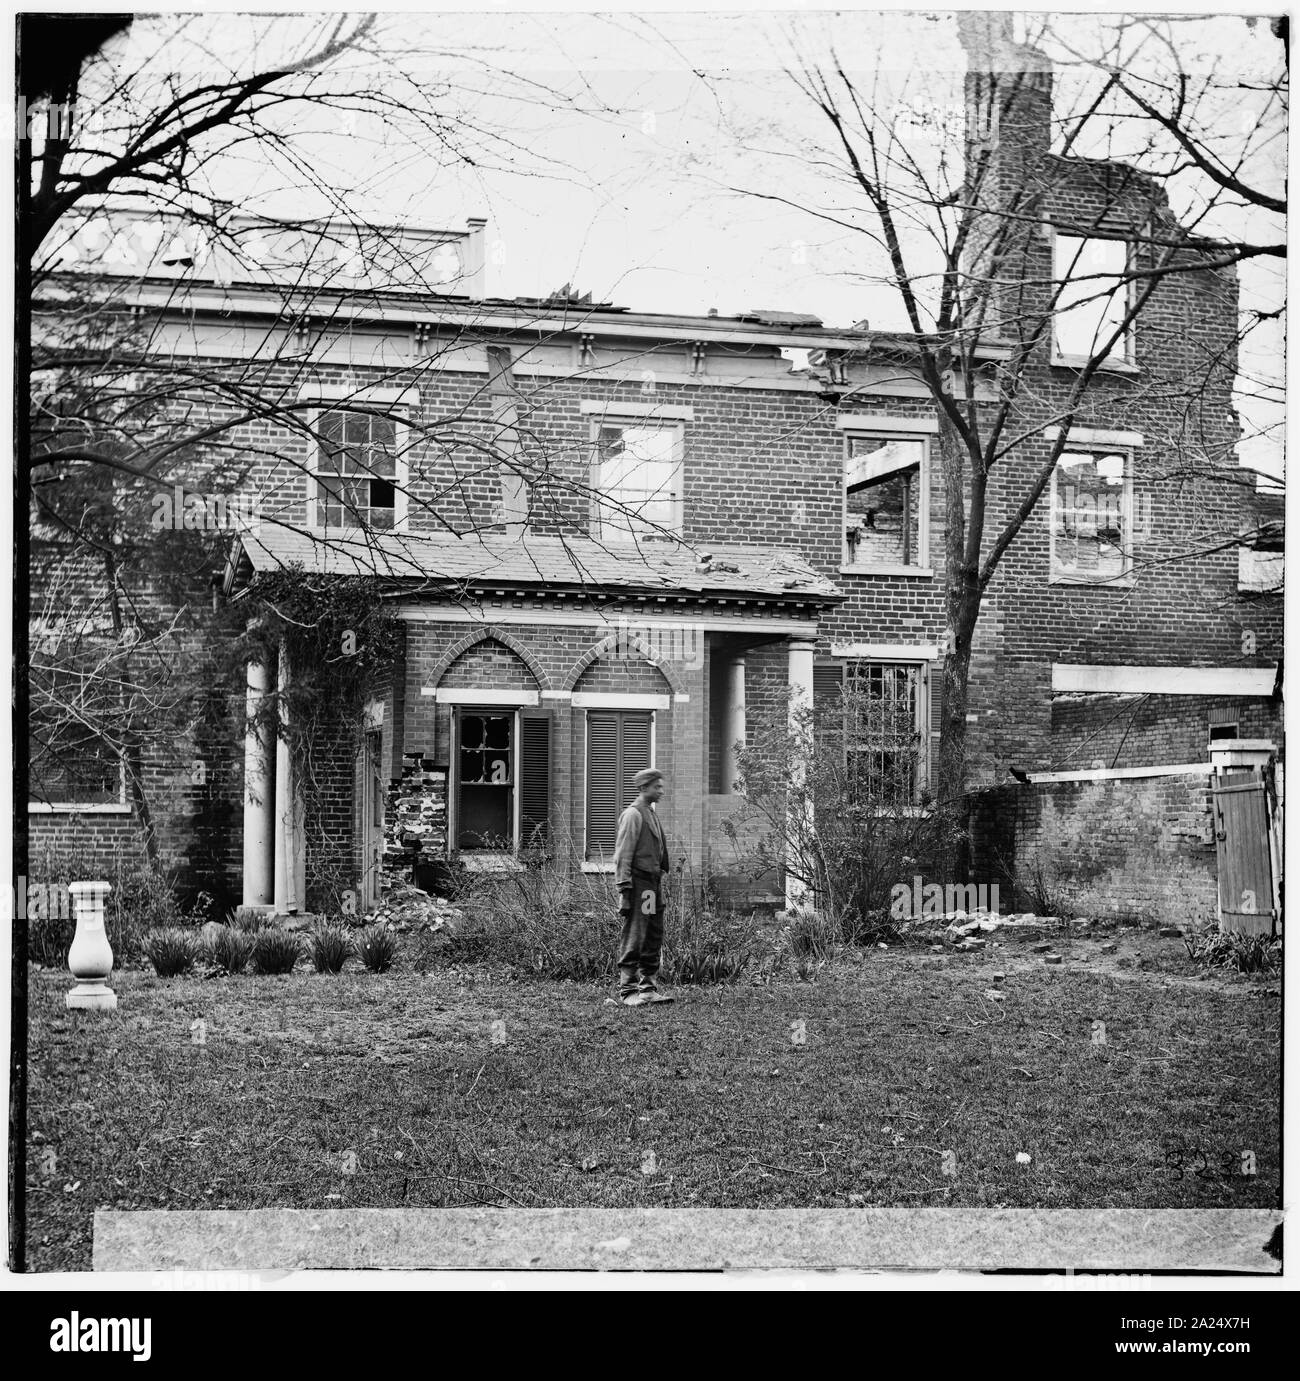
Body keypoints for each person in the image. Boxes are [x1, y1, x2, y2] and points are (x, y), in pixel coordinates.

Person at [613, 767, 674, 1006]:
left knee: (651, 933)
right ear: (643, 788)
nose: (661, 790)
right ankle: (627, 991)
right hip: (638, 886)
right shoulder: (633, 815)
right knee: (636, 934)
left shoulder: (650, 813)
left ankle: (647, 988)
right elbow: (622, 855)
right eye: (657, 786)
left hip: (651, 887)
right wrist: (624, 891)